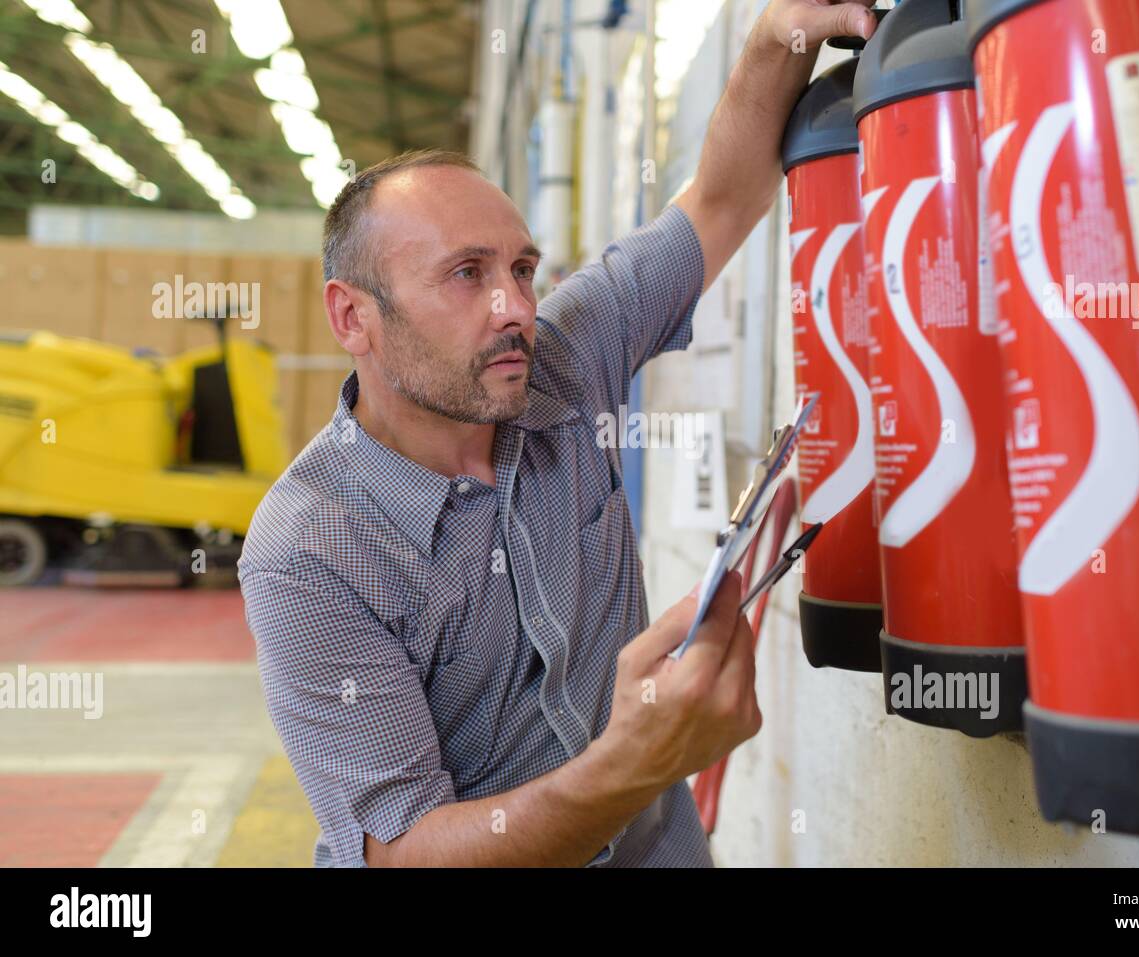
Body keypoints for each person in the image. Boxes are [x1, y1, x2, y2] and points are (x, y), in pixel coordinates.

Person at [239, 0, 878, 867]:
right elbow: (405, 853)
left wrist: (778, 37)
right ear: (354, 316)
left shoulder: (566, 358)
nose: (516, 308)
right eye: (467, 275)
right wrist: (630, 765)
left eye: (523, 269)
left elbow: (721, 200)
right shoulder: (309, 549)